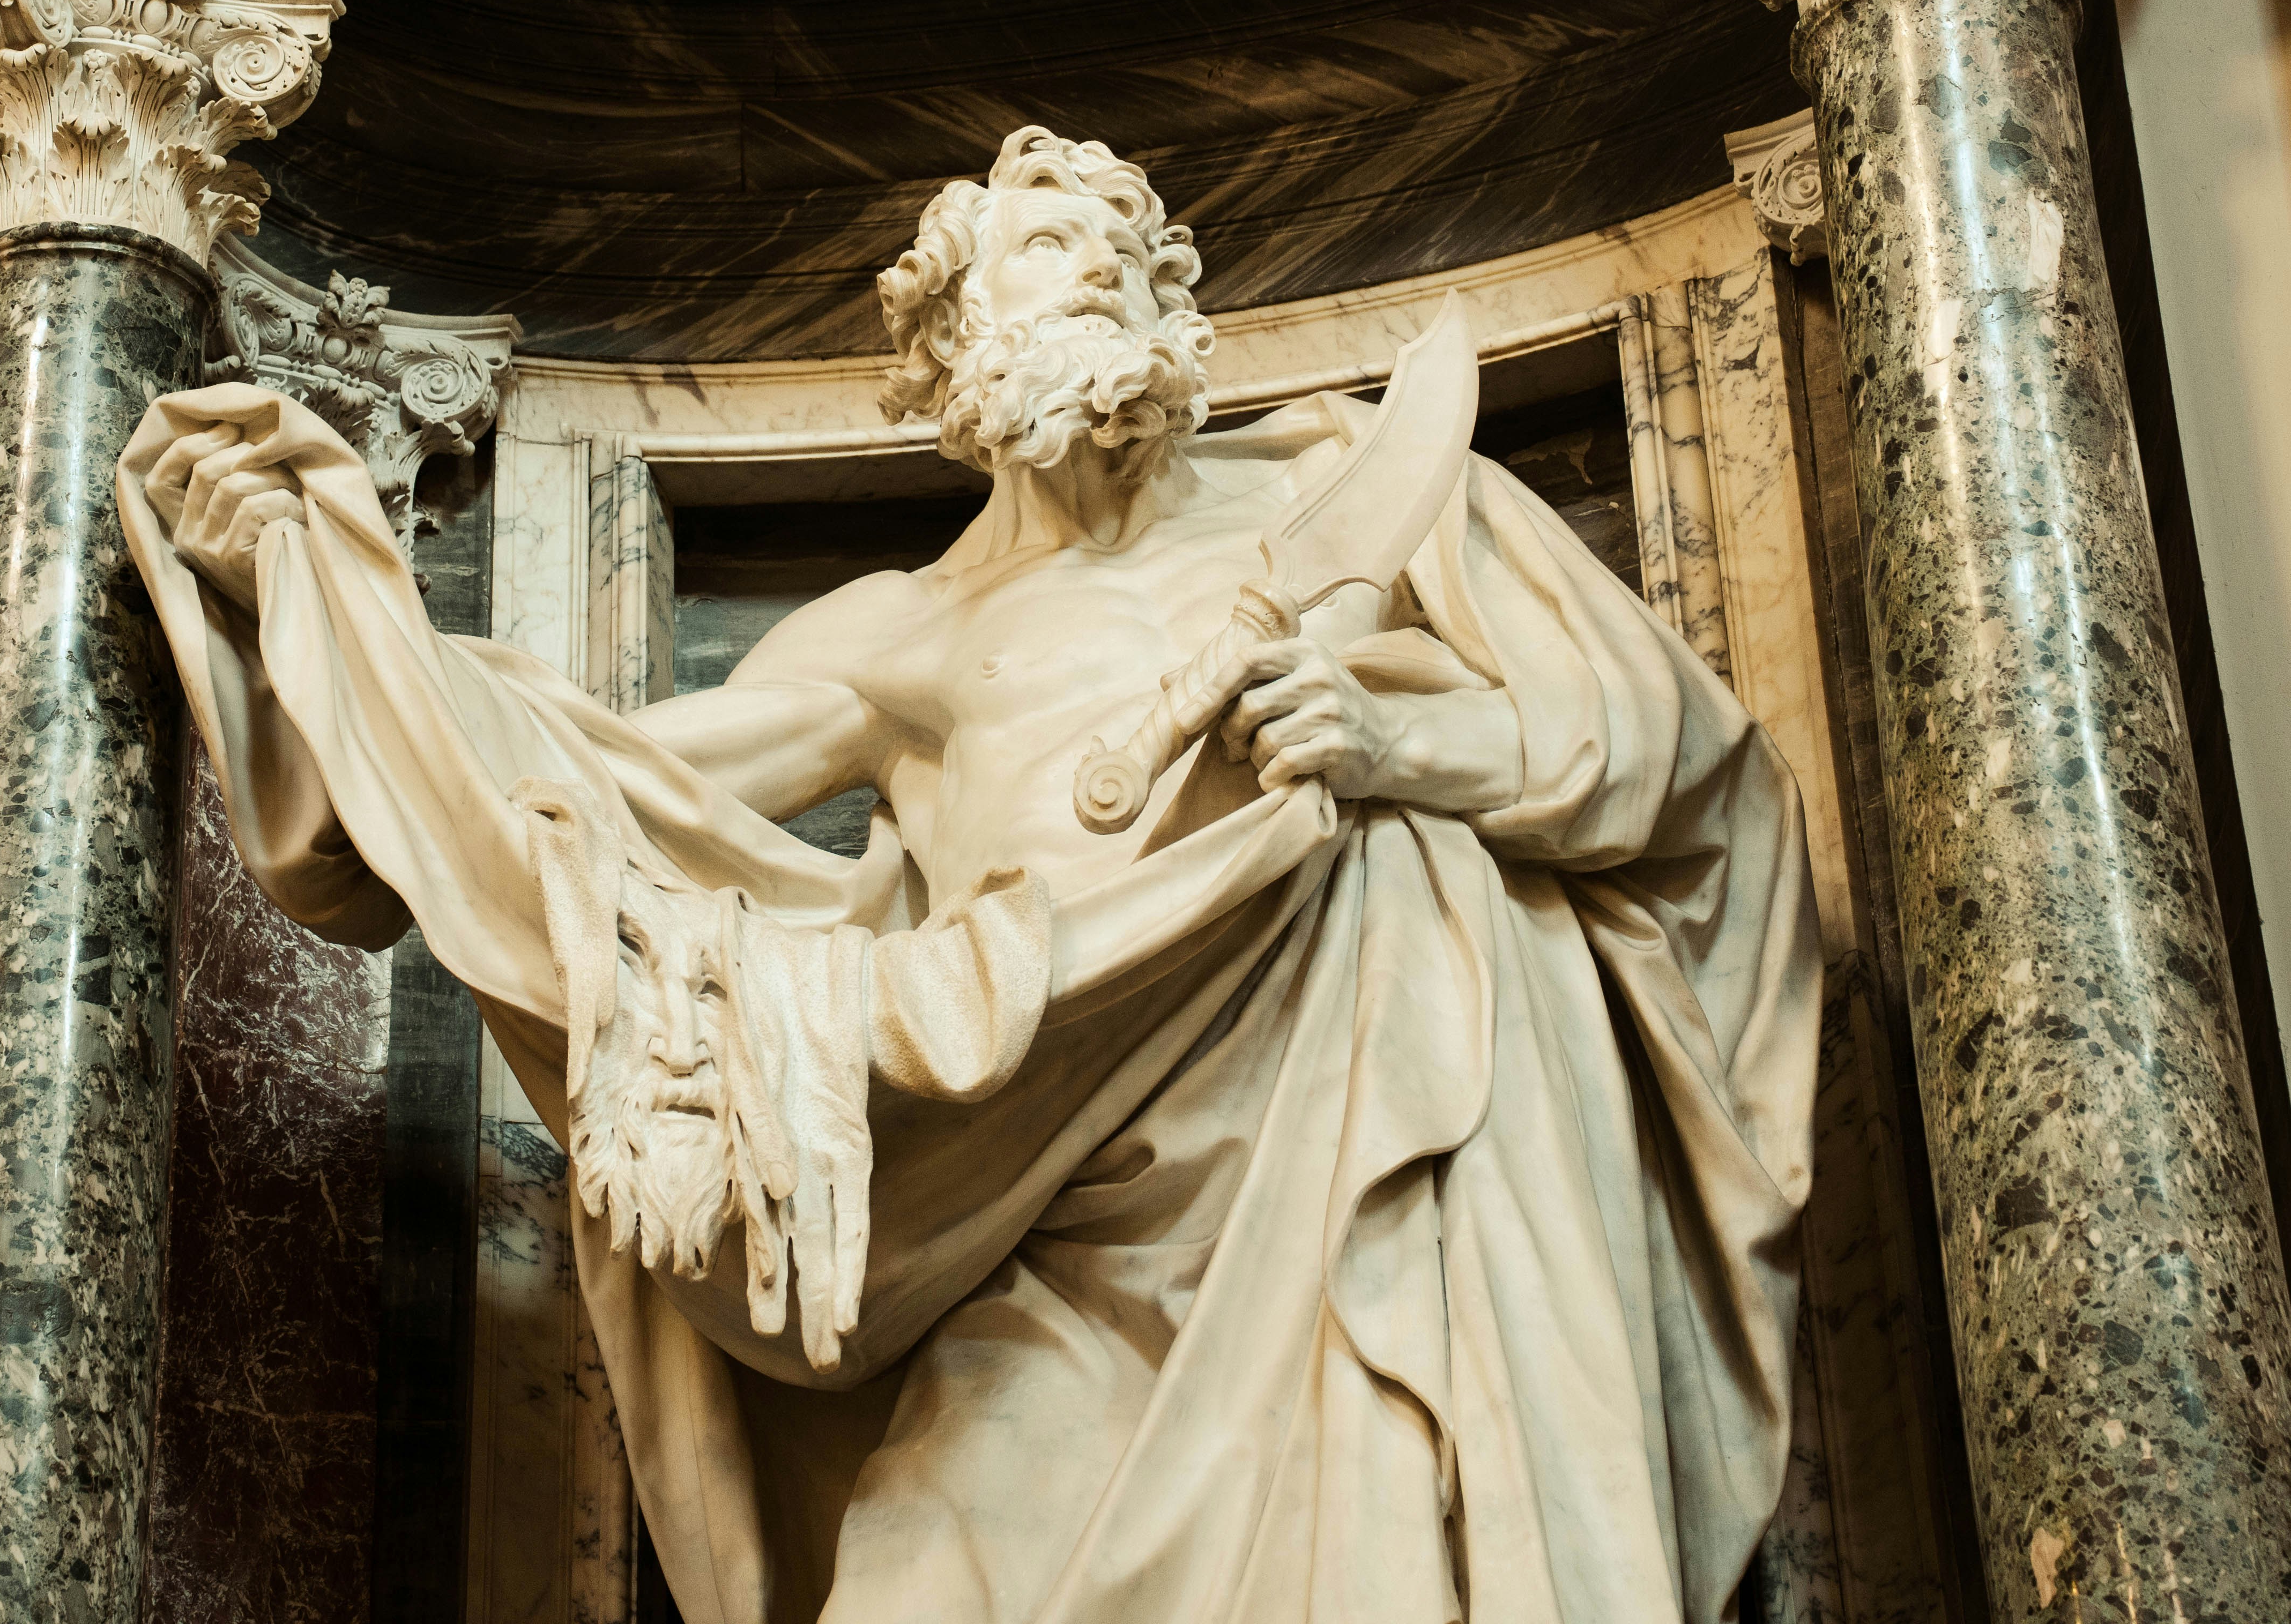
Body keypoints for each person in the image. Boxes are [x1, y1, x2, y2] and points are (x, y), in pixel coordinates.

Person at [121, 125, 1818, 1624]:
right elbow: (583, 788)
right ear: (951, 349)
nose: (1088, 272)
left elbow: (1686, 776)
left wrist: (1403, 757)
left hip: (1362, 1179)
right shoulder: (904, 638)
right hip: (1055, 1214)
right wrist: (319, 605)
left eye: (1115, 252)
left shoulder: (1362, 499)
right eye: (1042, 253)